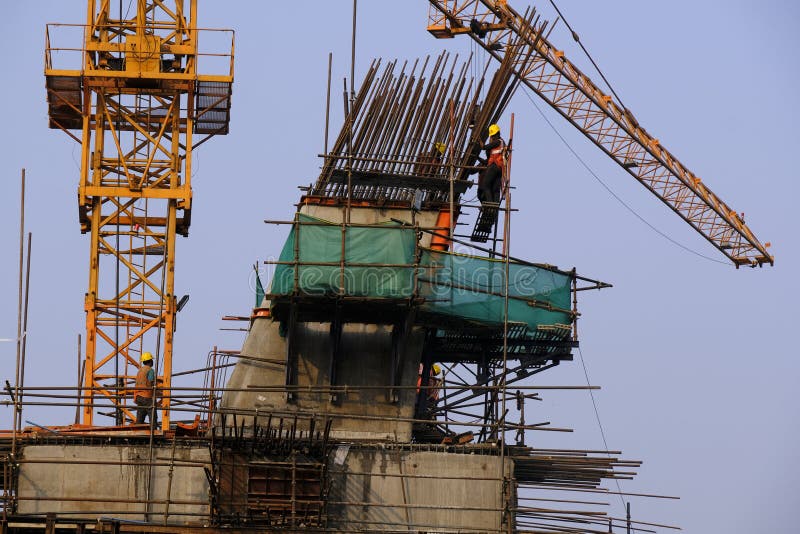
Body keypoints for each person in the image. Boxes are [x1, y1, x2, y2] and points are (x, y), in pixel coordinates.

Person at [477, 123, 505, 204]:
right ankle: (494, 209)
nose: (492, 137)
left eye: (493, 135)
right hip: (500, 168)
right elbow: (486, 161)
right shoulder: (501, 144)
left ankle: (490, 205)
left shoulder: (498, 142)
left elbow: (484, 147)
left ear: (496, 134)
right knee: (496, 189)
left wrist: (479, 140)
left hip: (494, 166)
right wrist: (477, 157)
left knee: (486, 184)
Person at [134, 352, 158, 425]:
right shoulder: (150, 370)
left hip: (138, 396)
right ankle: (153, 431)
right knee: (152, 415)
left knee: (140, 415)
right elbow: (151, 381)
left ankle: (138, 429)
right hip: (146, 395)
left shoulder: (140, 370)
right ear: (150, 361)